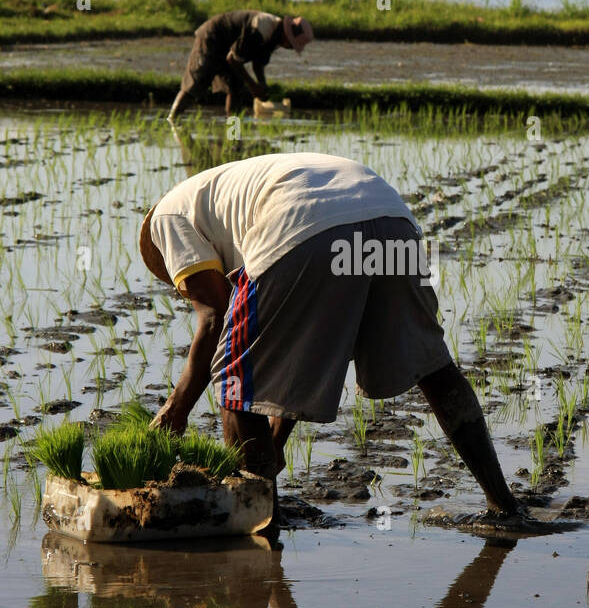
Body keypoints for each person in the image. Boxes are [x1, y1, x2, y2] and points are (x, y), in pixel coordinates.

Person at [139, 151, 521, 538]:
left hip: (303, 226)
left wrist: (176, 410)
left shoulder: (167, 221)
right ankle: (504, 505)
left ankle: (257, 525)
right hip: (392, 222)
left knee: (237, 376)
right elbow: (304, 347)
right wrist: (275, 442)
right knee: (434, 366)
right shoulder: (225, 189)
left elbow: (216, 317)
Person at [167, 11, 313, 122]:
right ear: (287, 35)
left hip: (230, 47)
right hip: (213, 38)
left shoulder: (275, 38)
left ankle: (233, 135)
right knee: (197, 83)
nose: (290, 48)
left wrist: (262, 84)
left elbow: (258, 63)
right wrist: (253, 86)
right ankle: (172, 120)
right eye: (292, 45)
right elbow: (233, 60)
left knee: (235, 89)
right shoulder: (260, 29)